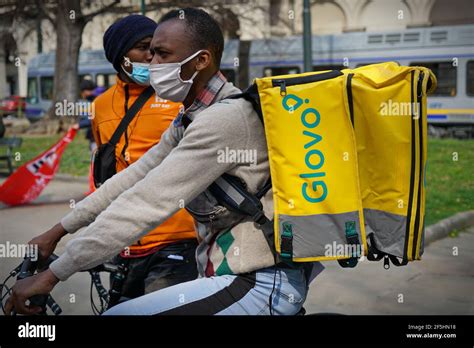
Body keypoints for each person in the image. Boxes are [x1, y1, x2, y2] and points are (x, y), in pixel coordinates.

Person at [5, 8, 319, 316]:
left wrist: (53, 275)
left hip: (259, 283)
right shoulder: (189, 119)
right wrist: (57, 231)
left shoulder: (223, 120)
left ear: (201, 60)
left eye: (162, 54)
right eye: (150, 52)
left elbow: (146, 202)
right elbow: (130, 180)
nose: (152, 64)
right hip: (228, 279)